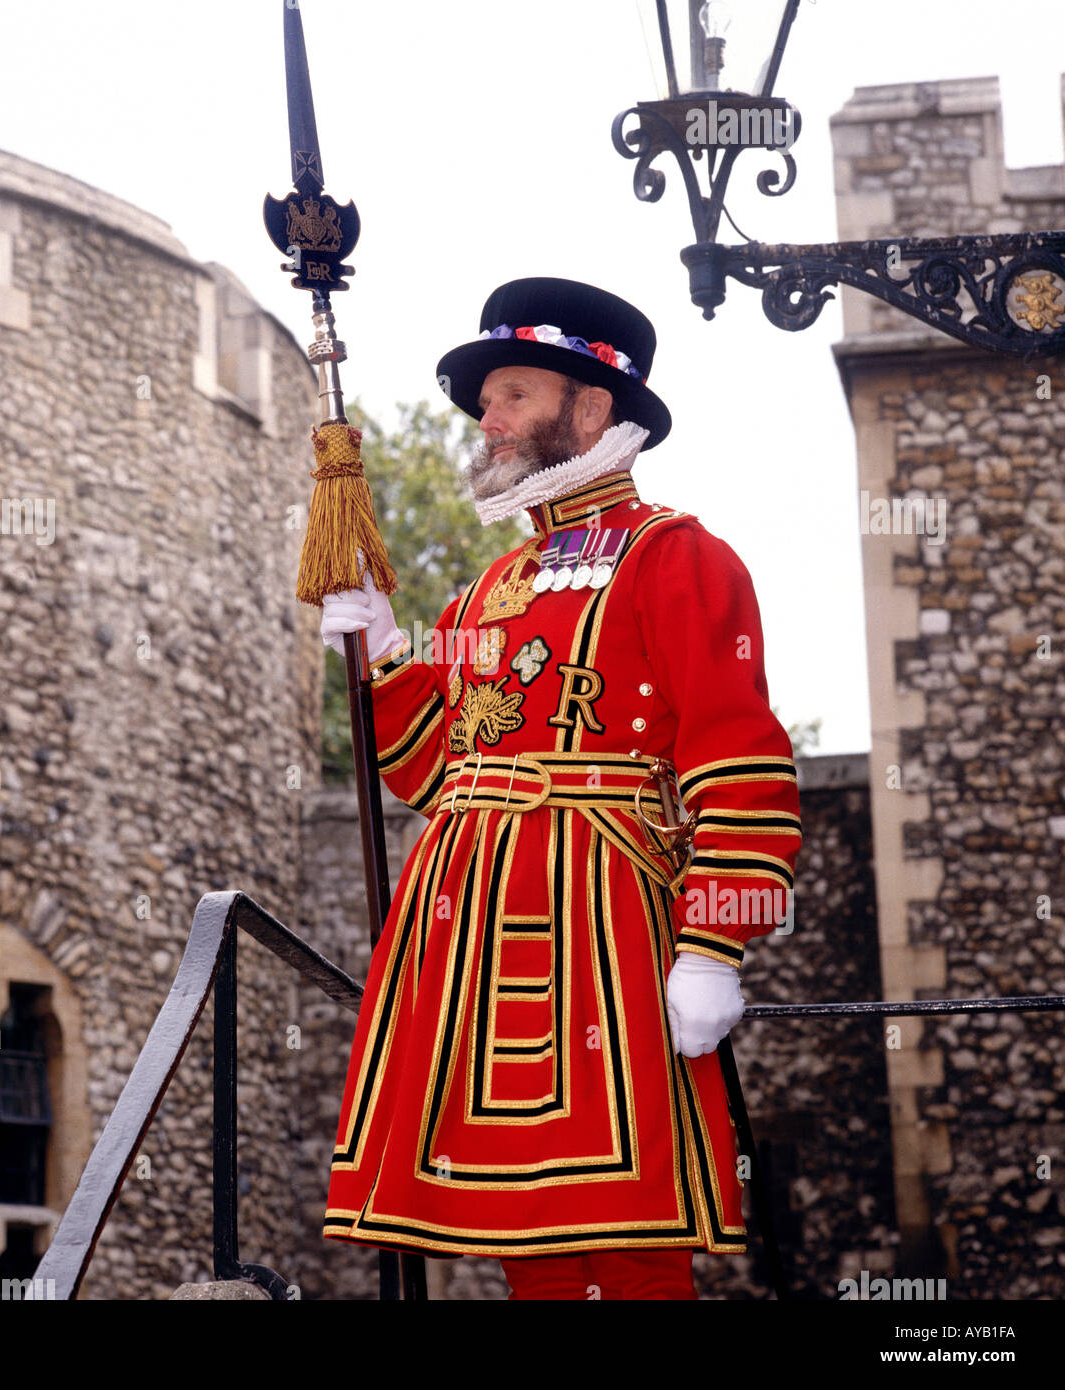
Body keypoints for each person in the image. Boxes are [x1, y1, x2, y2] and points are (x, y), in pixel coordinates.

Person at [318, 277, 801, 1300]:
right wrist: (379, 644)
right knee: (521, 1232)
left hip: (603, 929)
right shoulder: (492, 585)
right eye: (487, 401)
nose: (486, 421)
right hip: (468, 936)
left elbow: (741, 762)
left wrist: (713, 944)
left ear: (591, 409)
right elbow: (428, 768)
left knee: (622, 1225)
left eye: (512, 396)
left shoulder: (679, 557)